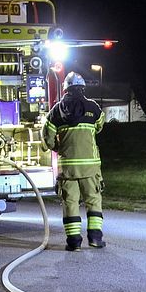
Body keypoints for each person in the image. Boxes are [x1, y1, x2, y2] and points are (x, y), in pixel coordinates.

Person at [42, 72, 106, 251]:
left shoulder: (56, 111)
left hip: (67, 168)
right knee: (93, 201)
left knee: (70, 203)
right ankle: (95, 239)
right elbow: (100, 126)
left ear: (65, 90)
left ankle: (74, 243)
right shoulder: (93, 108)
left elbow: (47, 138)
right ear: (83, 88)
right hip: (90, 168)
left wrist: (58, 147)